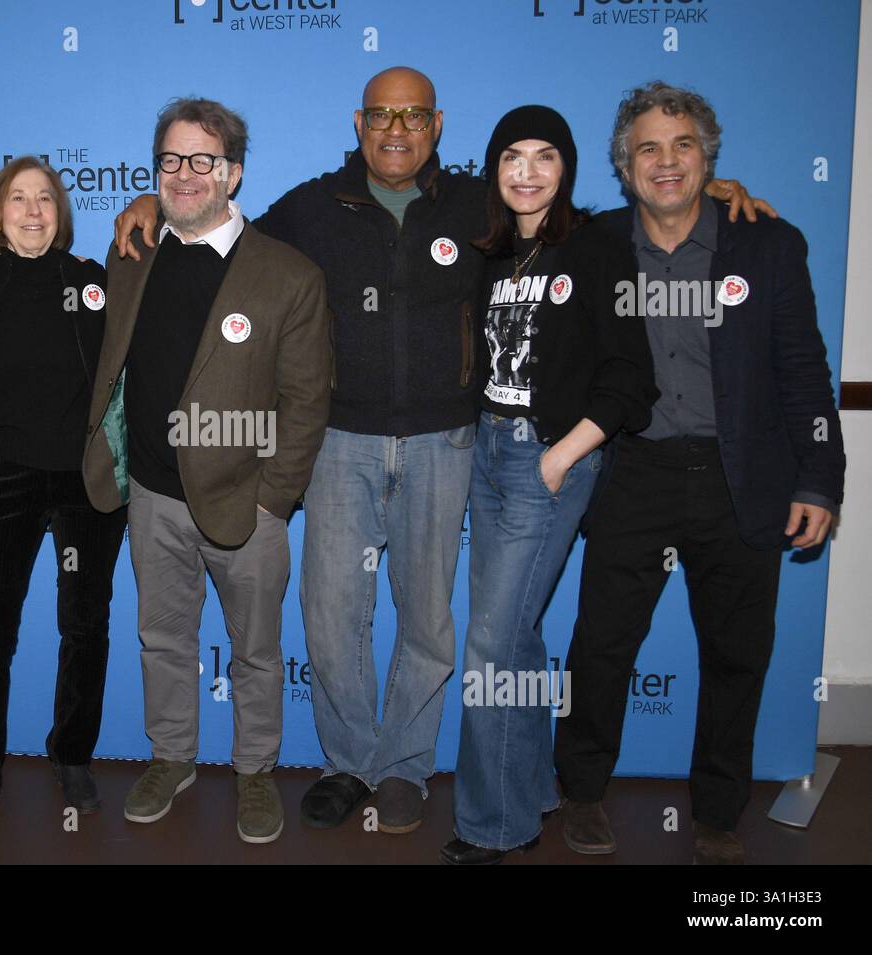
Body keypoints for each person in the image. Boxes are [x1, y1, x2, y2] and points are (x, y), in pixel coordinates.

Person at [115, 68, 768, 835]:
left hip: (448, 443)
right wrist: (145, 205)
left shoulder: (477, 204)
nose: (398, 129)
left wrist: (707, 196)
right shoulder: (309, 209)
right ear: (358, 123)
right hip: (337, 443)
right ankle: (349, 762)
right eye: (383, 115)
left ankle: (404, 768)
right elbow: (221, 228)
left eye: (414, 116)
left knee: (427, 620)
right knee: (330, 618)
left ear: (438, 124)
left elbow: (577, 229)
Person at [553, 82, 846, 865]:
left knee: (737, 653)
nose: (667, 160)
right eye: (648, 147)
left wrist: (819, 477)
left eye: (683, 143)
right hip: (632, 474)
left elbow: (804, 372)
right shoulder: (596, 246)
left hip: (740, 476)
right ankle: (580, 792)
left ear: (708, 154)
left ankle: (718, 813)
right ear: (625, 165)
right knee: (601, 646)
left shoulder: (768, 246)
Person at [86, 97, 332, 844]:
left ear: (234, 173)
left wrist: (274, 502)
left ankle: (256, 772)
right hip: (152, 499)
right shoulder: (133, 254)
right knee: (164, 642)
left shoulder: (288, 274)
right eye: (170, 160)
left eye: (203, 160)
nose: (185, 175)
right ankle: (172, 757)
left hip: (245, 505)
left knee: (257, 652)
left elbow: (306, 398)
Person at [440, 106, 657, 865]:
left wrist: (563, 455)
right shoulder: (494, 253)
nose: (527, 171)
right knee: (519, 639)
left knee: (491, 645)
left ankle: (493, 827)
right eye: (511, 157)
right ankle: (530, 786)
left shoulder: (596, 247)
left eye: (544, 157)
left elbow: (633, 376)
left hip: (548, 460)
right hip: (487, 455)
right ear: (494, 171)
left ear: (566, 169)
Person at [0, 158, 127, 847]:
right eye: (17, 198)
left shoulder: (90, 281)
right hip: (5, 479)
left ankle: (72, 754)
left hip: (85, 481)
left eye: (44, 198)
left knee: (86, 624)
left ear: (60, 211)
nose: (32, 210)